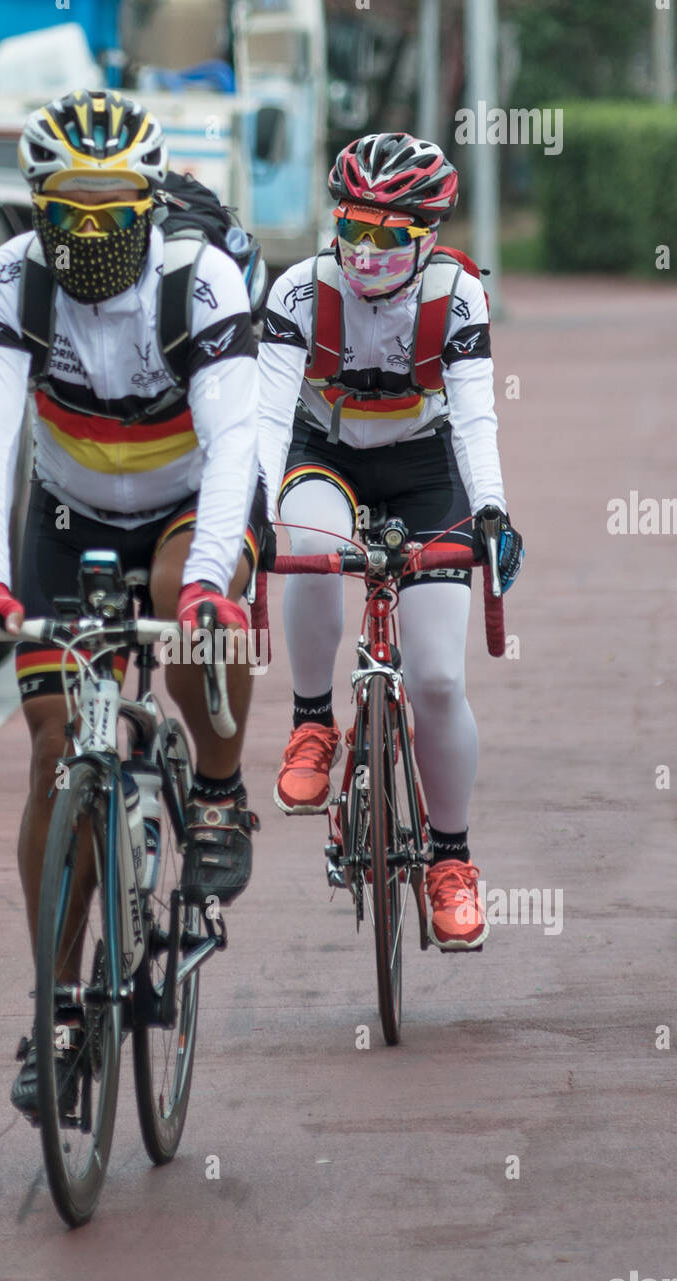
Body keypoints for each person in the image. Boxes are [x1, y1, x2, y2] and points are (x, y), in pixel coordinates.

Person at [0, 91, 263, 1115]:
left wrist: (211, 578)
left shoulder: (197, 281)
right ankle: (58, 1007)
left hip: (185, 503)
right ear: (33, 209)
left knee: (179, 596)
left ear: (148, 204)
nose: (87, 234)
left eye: (110, 212)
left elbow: (236, 442)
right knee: (47, 750)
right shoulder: (8, 280)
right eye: (64, 212)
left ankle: (213, 788)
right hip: (69, 514)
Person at [257, 132, 523, 950]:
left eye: (390, 235)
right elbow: (268, 420)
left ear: (429, 236)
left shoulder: (458, 293)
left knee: (440, 678)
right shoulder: (298, 290)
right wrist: (249, 514)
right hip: (323, 453)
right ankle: (313, 720)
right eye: (354, 228)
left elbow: (475, 416)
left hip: (425, 468)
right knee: (308, 537)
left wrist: (493, 515)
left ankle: (451, 861)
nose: (367, 251)